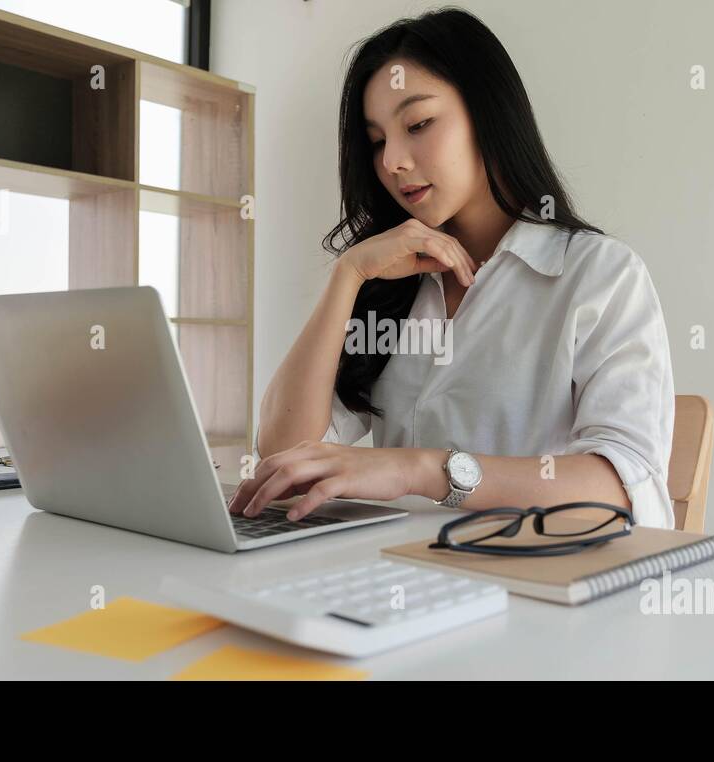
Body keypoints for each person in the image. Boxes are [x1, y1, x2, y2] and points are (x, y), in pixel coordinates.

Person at [227, 7, 676, 529]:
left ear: (488, 115)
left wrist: (420, 469)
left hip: (534, 581)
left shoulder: (598, 276)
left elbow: (624, 486)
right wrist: (346, 276)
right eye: (377, 142)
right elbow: (285, 456)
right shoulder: (390, 283)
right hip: (391, 577)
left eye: (418, 124)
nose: (393, 160)